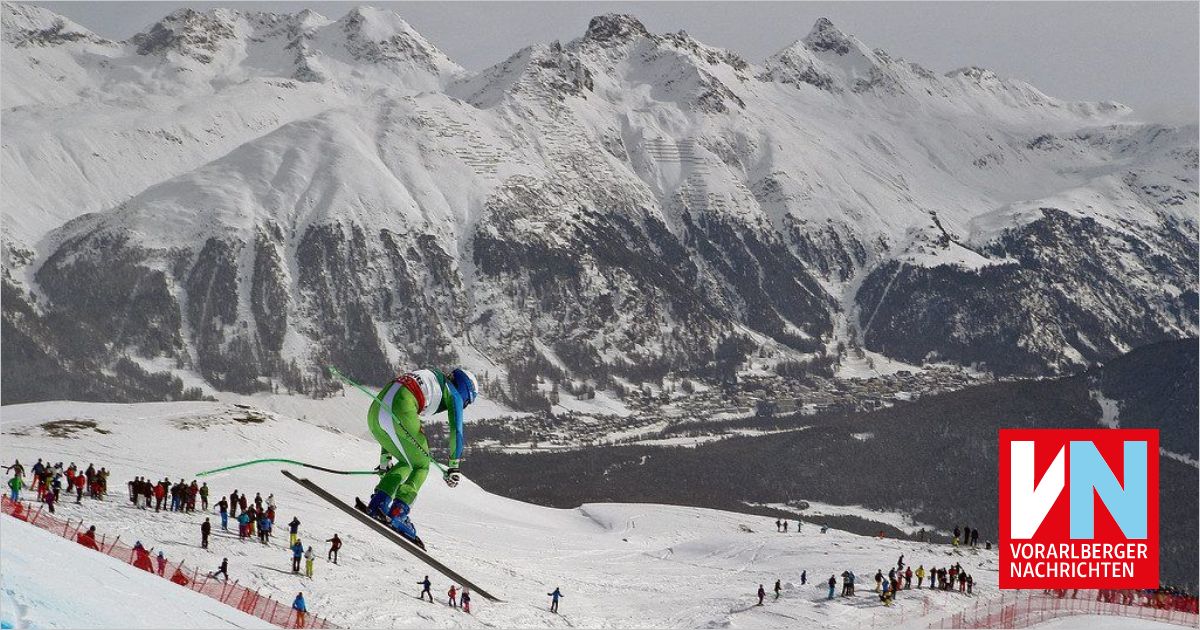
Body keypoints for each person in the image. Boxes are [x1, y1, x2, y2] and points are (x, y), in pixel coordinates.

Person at [362, 368, 478, 546]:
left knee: (406, 460)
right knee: (422, 464)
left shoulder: (432, 376)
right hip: (401, 408)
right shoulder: (453, 392)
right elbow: (457, 431)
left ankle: (379, 502)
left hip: (374, 414)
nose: (464, 405)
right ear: (465, 390)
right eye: (467, 402)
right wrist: (454, 465)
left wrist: (385, 460)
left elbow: (390, 423)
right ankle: (398, 513)